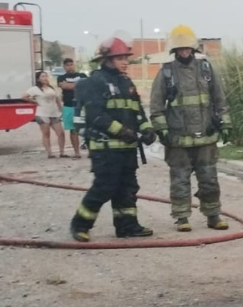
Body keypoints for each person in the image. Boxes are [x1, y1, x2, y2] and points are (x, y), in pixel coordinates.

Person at [69, 37, 156, 242]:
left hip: (127, 148)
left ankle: (127, 226)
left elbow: (137, 112)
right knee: (104, 186)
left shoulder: (126, 82)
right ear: (106, 59)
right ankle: (80, 225)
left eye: (126, 57)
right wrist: (121, 131)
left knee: (127, 187)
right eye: (119, 58)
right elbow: (96, 116)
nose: (124, 61)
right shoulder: (94, 82)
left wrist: (147, 129)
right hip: (105, 148)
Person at [149, 24, 231, 232]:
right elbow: (156, 106)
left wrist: (225, 122)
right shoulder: (166, 73)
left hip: (206, 136)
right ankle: (182, 217)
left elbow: (220, 99)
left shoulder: (206, 69)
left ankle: (213, 215)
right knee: (179, 179)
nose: (184, 52)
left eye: (187, 49)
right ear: (174, 51)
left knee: (209, 178)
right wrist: (162, 129)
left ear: (193, 49)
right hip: (178, 138)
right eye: (180, 49)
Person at [23, 70, 67, 158]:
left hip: (54, 112)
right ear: (38, 79)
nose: (45, 78)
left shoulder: (52, 88)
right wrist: (34, 101)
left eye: (46, 76)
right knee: (46, 133)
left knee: (61, 133)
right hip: (42, 112)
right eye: (43, 76)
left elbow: (57, 99)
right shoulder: (35, 89)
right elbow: (24, 96)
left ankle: (62, 152)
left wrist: (61, 110)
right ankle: (49, 153)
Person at [56, 57, 87, 159]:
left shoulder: (82, 75)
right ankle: (77, 152)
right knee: (73, 130)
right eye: (67, 65)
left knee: (86, 128)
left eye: (71, 64)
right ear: (64, 67)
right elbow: (64, 87)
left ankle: (91, 151)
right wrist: (77, 84)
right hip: (68, 106)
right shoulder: (60, 77)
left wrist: (70, 85)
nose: (70, 66)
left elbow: (85, 86)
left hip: (82, 105)